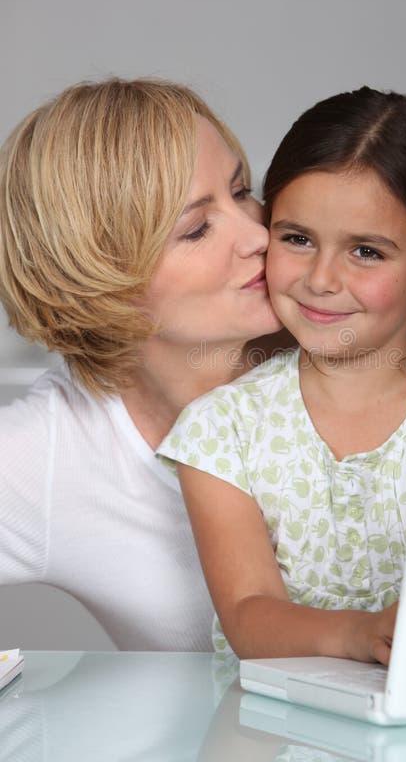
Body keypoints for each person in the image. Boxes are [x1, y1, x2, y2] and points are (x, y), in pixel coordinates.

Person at [159, 86, 406, 664]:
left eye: (367, 252)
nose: (321, 279)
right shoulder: (220, 431)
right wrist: (362, 633)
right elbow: (250, 613)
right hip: (264, 741)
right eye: (297, 239)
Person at [0, 77, 289, 650]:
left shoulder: (356, 342)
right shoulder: (54, 450)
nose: (258, 234)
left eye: (241, 190)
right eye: (197, 228)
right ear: (102, 282)